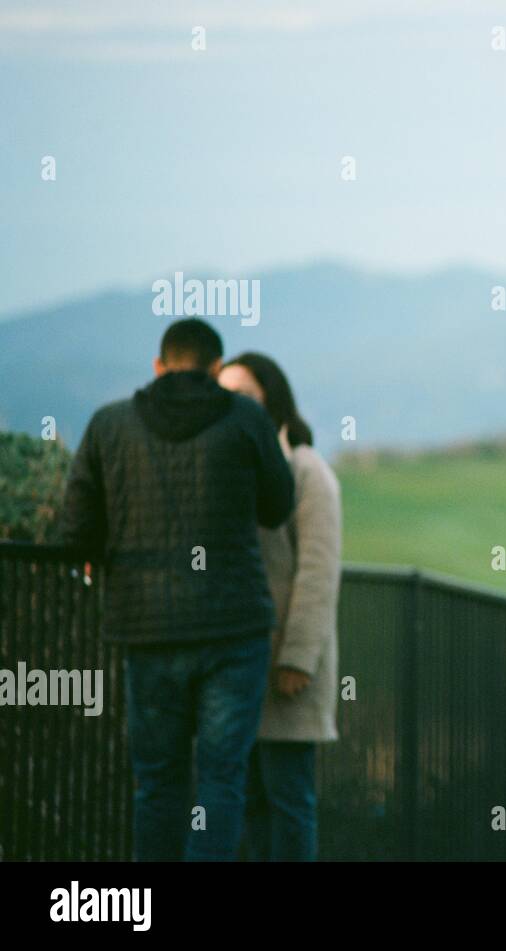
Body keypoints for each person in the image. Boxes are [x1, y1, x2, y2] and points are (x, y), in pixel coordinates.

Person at [59, 318, 295, 861]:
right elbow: (278, 506)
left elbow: (76, 530)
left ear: (159, 365)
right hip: (233, 627)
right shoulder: (247, 419)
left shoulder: (109, 424)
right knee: (221, 778)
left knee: (158, 781)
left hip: (145, 626)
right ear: (216, 367)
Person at [218, 353, 341, 862]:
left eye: (244, 393)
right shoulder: (235, 465)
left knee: (288, 797)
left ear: (271, 398)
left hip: (286, 669)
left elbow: (318, 572)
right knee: (248, 800)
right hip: (238, 668)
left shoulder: (307, 470)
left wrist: (297, 659)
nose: (231, 403)